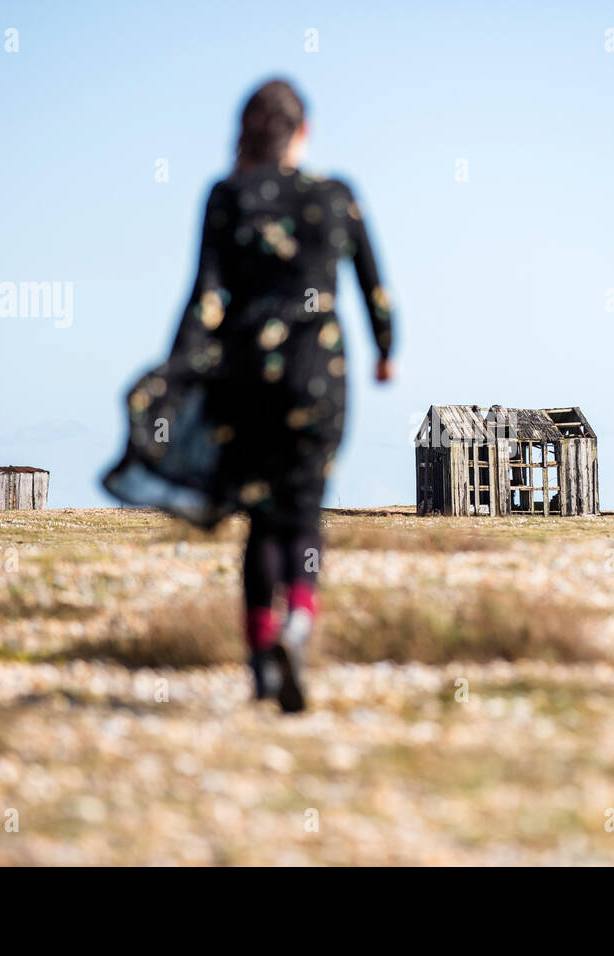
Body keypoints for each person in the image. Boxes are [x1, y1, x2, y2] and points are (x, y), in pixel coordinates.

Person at [103, 78, 395, 713]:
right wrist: (385, 351)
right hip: (319, 376)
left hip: (247, 377)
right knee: (304, 508)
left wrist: (176, 370)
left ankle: (262, 666)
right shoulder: (335, 194)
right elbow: (375, 287)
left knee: (261, 516)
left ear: (246, 134)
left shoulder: (227, 195)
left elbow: (205, 298)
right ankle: (300, 622)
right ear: (304, 131)